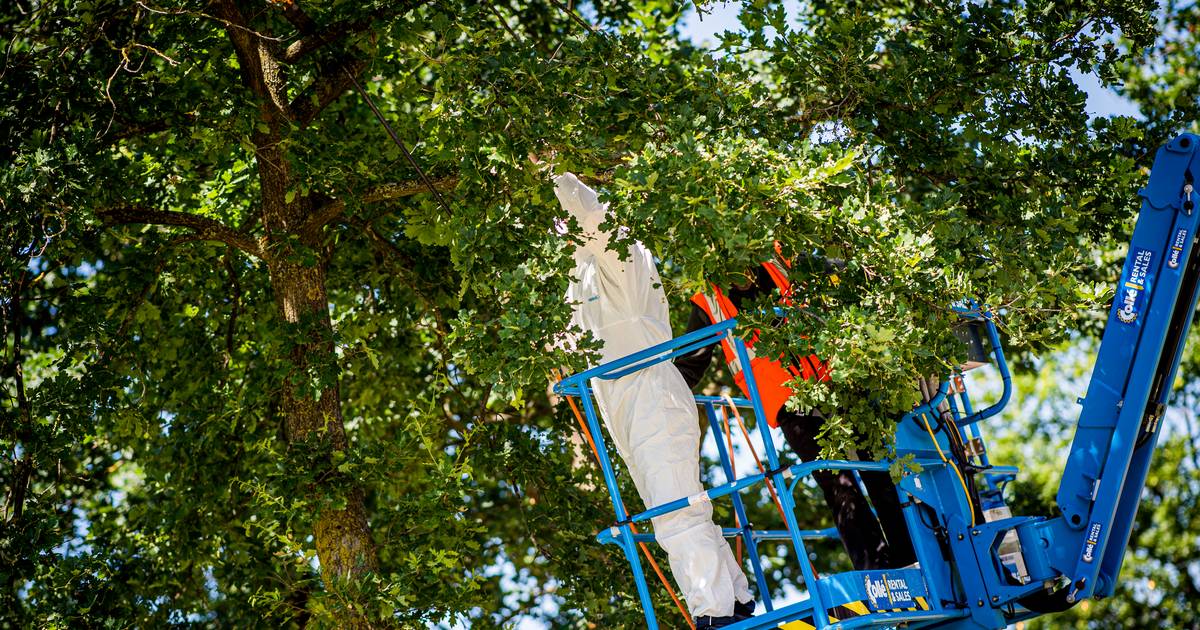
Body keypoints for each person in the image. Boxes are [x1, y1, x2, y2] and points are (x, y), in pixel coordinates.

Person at [553, 172, 754, 628]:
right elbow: (568, 339)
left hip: (648, 391)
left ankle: (714, 609)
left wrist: (552, 174)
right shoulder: (579, 274)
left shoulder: (620, 251)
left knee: (673, 508)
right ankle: (733, 597)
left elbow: (593, 217)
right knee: (679, 502)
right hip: (619, 400)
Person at [673, 257, 918, 571]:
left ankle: (912, 556)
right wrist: (656, 399)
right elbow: (689, 365)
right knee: (836, 483)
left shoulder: (781, 259)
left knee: (878, 468)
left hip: (836, 380)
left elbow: (844, 274)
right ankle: (878, 570)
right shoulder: (709, 301)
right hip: (787, 402)